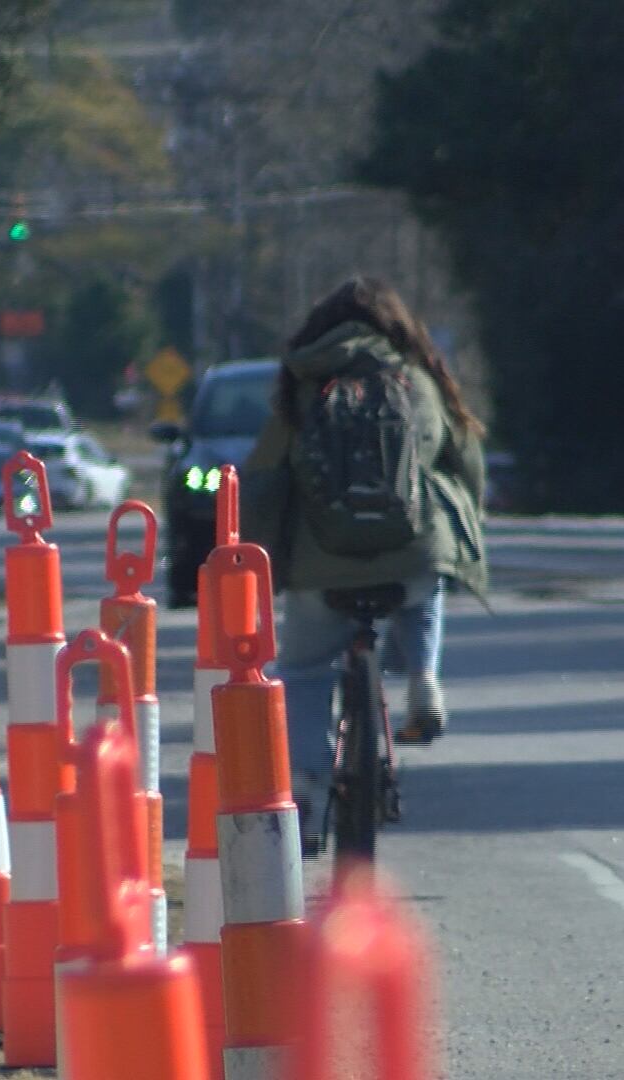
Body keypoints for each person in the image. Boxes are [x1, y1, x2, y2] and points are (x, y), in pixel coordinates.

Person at [239, 275, 488, 842]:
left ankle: (305, 791)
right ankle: (424, 679)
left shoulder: (304, 384)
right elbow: (467, 464)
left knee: (303, 673)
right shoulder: (419, 379)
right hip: (409, 554)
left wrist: (261, 562)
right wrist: (466, 528)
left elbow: (262, 482)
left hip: (320, 565)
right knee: (425, 589)